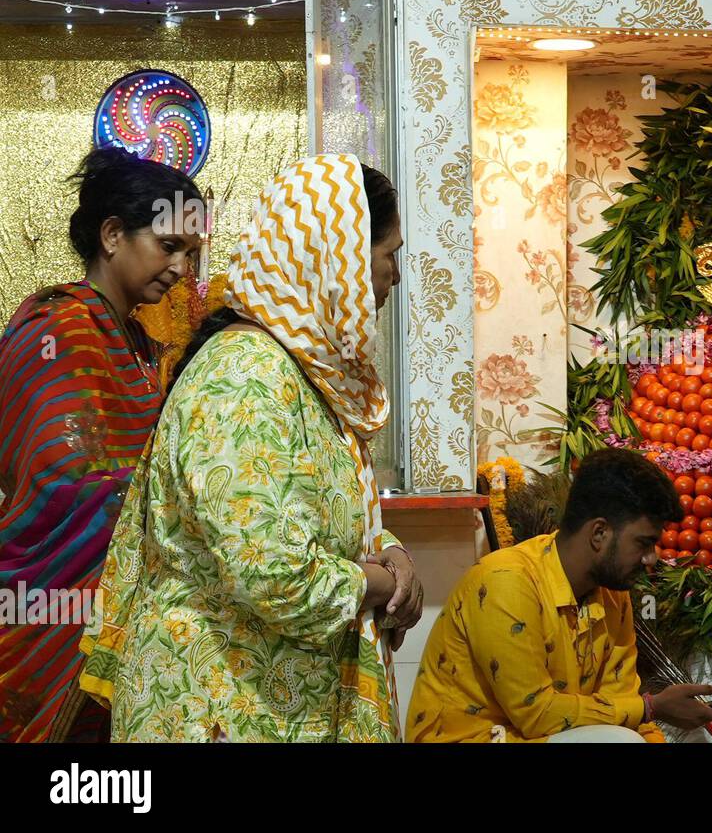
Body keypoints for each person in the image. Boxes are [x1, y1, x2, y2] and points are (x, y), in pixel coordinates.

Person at [79, 154, 421, 742]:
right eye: (388, 255)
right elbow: (271, 571)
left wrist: (392, 553)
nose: (393, 275)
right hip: (215, 708)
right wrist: (381, 585)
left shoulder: (297, 373)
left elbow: (324, 510)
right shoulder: (245, 376)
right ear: (335, 260)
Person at [0, 148, 202, 742]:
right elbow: (59, 487)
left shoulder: (140, 343)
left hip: (123, 605)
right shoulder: (57, 330)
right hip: (50, 600)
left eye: (191, 254)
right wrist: (182, 508)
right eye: (169, 246)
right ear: (113, 234)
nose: (182, 269)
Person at [406, 447, 712, 743]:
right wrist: (652, 707)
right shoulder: (506, 582)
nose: (651, 558)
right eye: (643, 543)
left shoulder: (614, 595)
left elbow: (625, 709)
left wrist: (647, 718)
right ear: (599, 533)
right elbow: (538, 715)